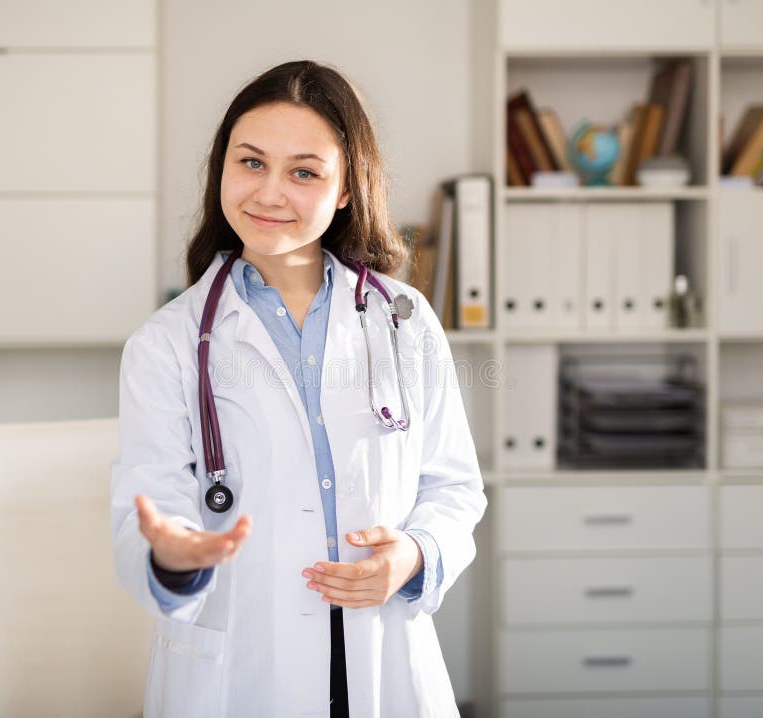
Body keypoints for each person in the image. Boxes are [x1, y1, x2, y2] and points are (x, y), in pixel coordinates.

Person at [110, 59, 487, 718]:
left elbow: (454, 488)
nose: (269, 193)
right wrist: (174, 555)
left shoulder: (404, 321)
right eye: (250, 162)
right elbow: (149, 510)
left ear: (346, 189)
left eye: (304, 172)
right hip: (240, 675)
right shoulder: (166, 345)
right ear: (221, 169)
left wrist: (416, 553)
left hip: (381, 665)